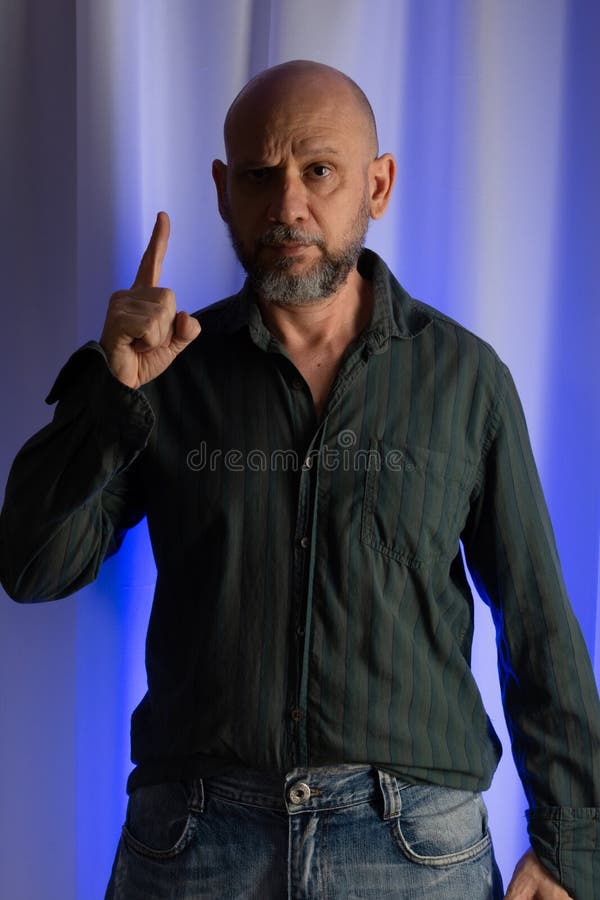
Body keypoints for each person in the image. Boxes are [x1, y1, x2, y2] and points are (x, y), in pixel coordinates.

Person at [0, 60, 598, 899]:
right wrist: (109, 391)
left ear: (377, 185)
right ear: (223, 190)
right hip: (195, 846)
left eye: (319, 170)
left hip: (412, 852)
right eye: (259, 175)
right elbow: (30, 569)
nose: (288, 204)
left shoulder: (467, 379)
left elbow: (537, 622)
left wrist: (572, 843)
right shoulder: (163, 372)